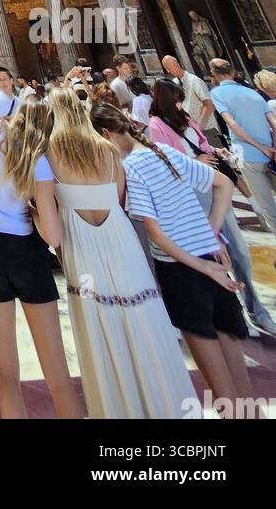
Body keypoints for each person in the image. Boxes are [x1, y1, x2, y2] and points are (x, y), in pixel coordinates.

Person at [92, 102, 257, 417]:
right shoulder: (166, 153)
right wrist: (211, 231)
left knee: (220, 388)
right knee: (240, 385)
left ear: (105, 135)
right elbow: (223, 184)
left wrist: (203, 267)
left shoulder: (132, 167)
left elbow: (157, 235)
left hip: (184, 271)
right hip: (211, 257)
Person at [47, 90, 197, 417]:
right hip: (119, 235)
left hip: (79, 240)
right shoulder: (106, 147)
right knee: (140, 311)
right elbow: (118, 198)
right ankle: (162, 400)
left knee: (96, 318)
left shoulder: (48, 153)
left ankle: (115, 404)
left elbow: (50, 218)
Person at [0, 97, 83, 419]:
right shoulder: (38, 161)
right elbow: (52, 236)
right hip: (26, 253)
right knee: (58, 376)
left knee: (6, 377)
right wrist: (35, 210)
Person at [147, 78, 276, 339]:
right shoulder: (156, 125)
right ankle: (234, 311)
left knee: (239, 252)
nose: (181, 103)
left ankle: (257, 310)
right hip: (191, 194)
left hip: (215, 187)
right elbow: (163, 157)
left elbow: (203, 144)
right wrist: (194, 159)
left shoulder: (187, 119)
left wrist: (215, 151)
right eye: (177, 98)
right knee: (214, 252)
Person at [210, 56, 276, 237]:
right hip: (272, 152)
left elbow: (232, 124)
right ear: (232, 72)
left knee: (267, 205)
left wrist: (260, 146)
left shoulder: (216, 93)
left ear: (214, 75)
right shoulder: (252, 92)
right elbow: (273, 122)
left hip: (246, 153)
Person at [161, 54, 217, 139]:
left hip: (206, 129)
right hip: (190, 131)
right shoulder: (174, 83)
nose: (168, 71)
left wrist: (199, 127)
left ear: (176, 64)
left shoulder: (194, 80)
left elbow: (209, 104)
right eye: (166, 69)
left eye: (169, 67)